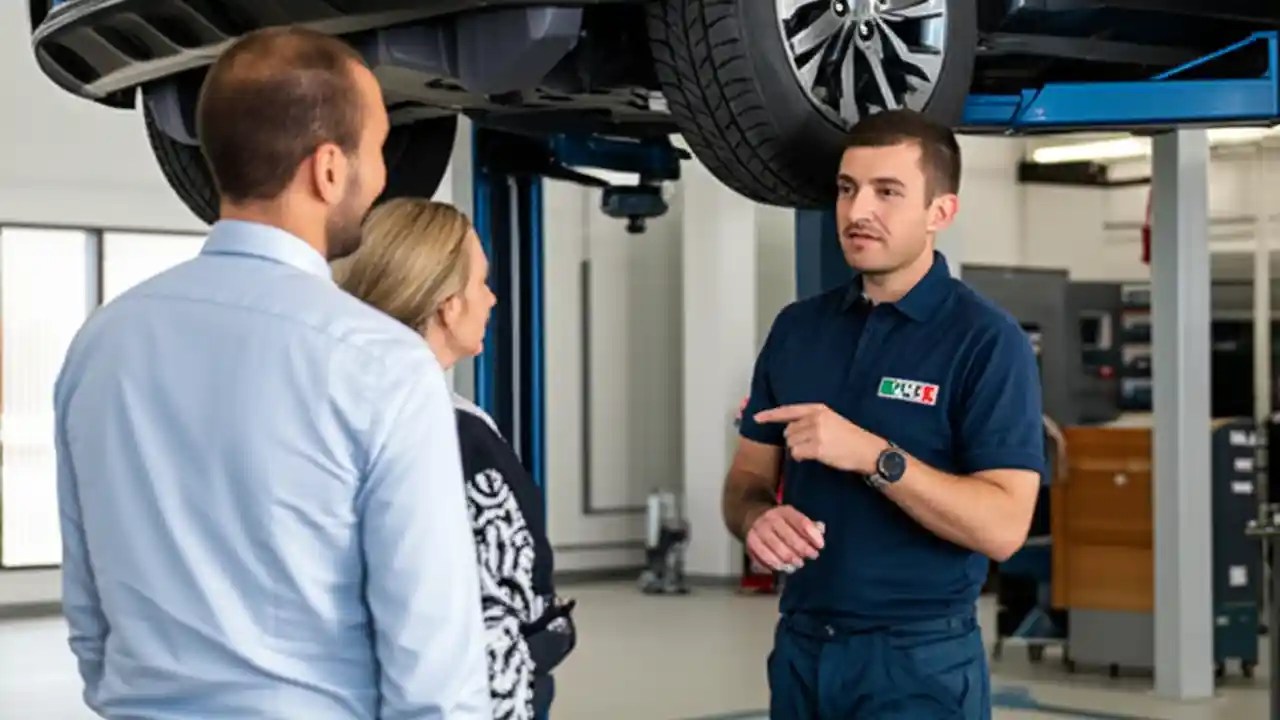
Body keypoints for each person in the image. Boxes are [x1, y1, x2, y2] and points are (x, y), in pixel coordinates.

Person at [53, 27, 491, 719]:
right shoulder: (380, 362)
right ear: (327, 169)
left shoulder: (103, 343)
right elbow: (432, 654)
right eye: (375, 150)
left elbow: (88, 611)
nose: (381, 175)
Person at [727, 109, 1045, 719]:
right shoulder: (798, 329)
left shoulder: (985, 340)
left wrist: (875, 457)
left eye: (887, 192)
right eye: (847, 189)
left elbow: (1004, 526)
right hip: (801, 648)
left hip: (917, 661)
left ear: (940, 213)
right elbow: (746, 480)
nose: (856, 211)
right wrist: (756, 519)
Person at [331, 197, 577, 720]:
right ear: (448, 305)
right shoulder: (453, 434)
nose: (491, 299)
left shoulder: (333, 410)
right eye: (481, 283)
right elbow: (495, 617)